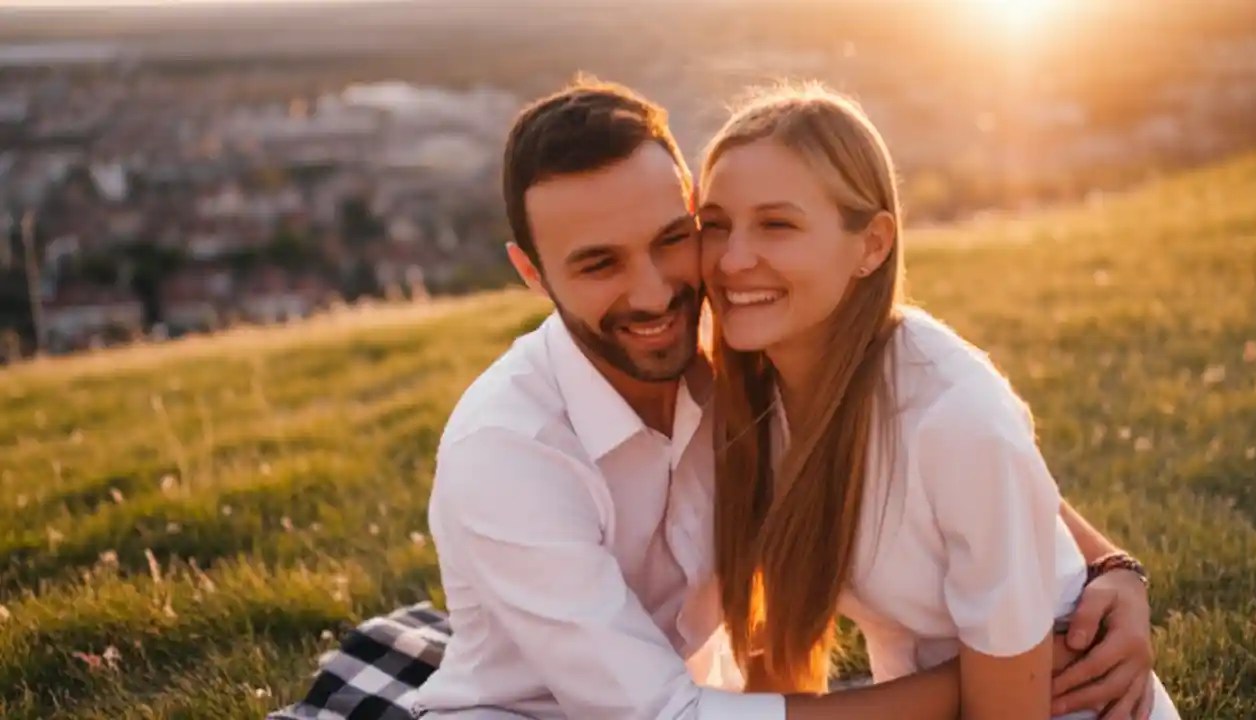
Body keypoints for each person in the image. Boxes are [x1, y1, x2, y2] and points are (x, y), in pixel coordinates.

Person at [272, 78, 1161, 720]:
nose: (659, 292)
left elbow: (967, 447)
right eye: (599, 264)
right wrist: (981, 675)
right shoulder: (506, 451)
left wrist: (1110, 568)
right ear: (529, 273)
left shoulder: (745, 362)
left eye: (673, 239)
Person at [698, 82, 1180, 720]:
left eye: (777, 225)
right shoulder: (761, 389)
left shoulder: (954, 415)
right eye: (715, 226)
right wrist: (1114, 562)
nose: (732, 260)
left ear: (871, 245)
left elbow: (1008, 710)